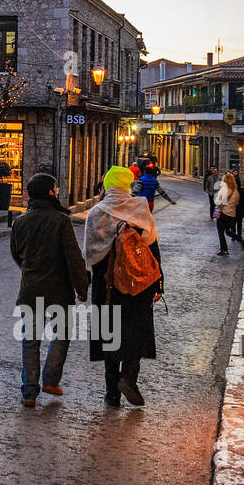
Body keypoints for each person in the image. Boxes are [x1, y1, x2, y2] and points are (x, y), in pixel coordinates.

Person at [83, 166, 163, 408]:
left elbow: (90, 254)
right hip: (138, 286)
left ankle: (112, 393)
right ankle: (129, 378)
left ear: (107, 183)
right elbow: (153, 250)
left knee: (111, 337)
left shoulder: (97, 213)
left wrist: (84, 284)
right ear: (127, 184)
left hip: (108, 287)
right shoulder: (139, 209)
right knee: (135, 334)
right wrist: (159, 284)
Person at [11, 172, 88, 407]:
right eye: (54, 188)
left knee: (30, 340)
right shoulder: (61, 220)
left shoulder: (20, 221)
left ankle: (29, 392)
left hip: (31, 289)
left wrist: (29, 269)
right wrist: (81, 287)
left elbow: (16, 253)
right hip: (58, 290)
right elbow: (73, 257)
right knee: (62, 335)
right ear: (50, 192)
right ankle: (51, 380)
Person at [213, 171, 244, 256]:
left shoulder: (224, 189)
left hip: (223, 213)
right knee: (228, 231)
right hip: (232, 214)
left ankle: (224, 250)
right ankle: (241, 239)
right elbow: (236, 203)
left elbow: (218, 201)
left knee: (221, 232)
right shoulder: (236, 191)